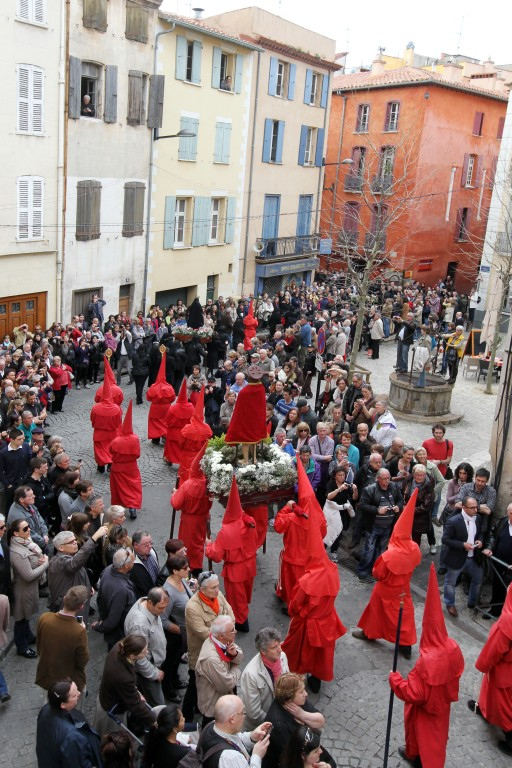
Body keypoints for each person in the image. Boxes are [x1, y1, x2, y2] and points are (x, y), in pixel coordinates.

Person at [389, 564, 464, 768]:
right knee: (435, 740)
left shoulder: (427, 661)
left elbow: (415, 694)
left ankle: (420, 761)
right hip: (442, 708)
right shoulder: (454, 647)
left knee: (422, 737)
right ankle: (417, 756)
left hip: (426, 709)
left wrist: (396, 681)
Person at [282, 461, 346, 693]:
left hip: (309, 621)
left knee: (302, 651)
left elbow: (296, 604)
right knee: (321, 654)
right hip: (327, 619)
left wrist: (293, 610)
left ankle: (296, 679)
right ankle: (317, 680)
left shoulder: (307, 581)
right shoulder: (333, 572)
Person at [352, 491, 421, 659]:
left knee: (375, 613)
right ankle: (405, 645)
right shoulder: (415, 549)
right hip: (403, 589)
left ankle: (369, 634)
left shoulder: (389, 555)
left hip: (386, 589)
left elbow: (377, 572)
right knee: (403, 617)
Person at [205, 478, 257, 632]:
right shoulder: (250, 521)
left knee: (236, 598)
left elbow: (216, 555)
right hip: (249, 564)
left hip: (235, 569)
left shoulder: (226, 531)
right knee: (244, 594)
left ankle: (241, 622)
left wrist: (208, 545)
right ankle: (242, 615)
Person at [182, 571, 235, 721]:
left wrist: (226, 631)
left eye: (218, 586)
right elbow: (204, 633)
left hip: (221, 650)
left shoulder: (218, 595)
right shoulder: (192, 607)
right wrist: (226, 633)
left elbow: (230, 614)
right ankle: (187, 718)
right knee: (194, 685)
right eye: (213, 588)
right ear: (202, 590)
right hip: (201, 654)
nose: (217, 590)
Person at [469, 584, 512, 756]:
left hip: (504, 669)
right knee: (492, 693)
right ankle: (484, 708)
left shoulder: (508, 622)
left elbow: (495, 649)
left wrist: (483, 664)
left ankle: (510, 738)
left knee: (505, 704)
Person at [94, 634, 157, 736]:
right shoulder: (124, 677)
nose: (147, 652)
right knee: (111, 738)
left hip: (106, 696)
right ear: (132, 656)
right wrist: (154, 720)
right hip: (111, 709)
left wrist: (134, 691)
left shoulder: (120, 647)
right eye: (144, 651)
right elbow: (134, 704)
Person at [263, 674, 326, 768]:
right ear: (289, 696)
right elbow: (290, 757)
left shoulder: (296, 703)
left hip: (306, 748)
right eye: (301, 692)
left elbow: (320, 721)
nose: (306, 694)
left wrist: (302, 714)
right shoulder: (279, 725)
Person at [36, 679, 102, 768]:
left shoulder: (45, 709)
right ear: (63, 704)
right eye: (74, 695)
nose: (79, 693)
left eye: (77, 689)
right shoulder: (72, 737)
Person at [36, 585, 89, 694]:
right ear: (81, 607)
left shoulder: (44, 618)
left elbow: (39, 646)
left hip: (49, 675)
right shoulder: (79, 631)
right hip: (69, 682)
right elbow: (82, 660)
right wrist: (82, 630)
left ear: (65, 598)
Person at [8, 517, 49, 658]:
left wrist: (39, 561)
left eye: (28, 527)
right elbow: (28, 575)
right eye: (25, 529)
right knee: (21, 619)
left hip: (29, 589)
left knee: (26, 617)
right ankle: (22, 647)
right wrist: (45, 564)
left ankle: (29, 636)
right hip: (23, 591)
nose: (29, 529)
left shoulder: (27, 543)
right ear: (16, 534)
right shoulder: (17, 552)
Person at [48, 526, 108, 620]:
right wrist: (94, 538)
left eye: (75, 540)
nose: (75, 542)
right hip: (70, 603)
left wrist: (88, 587)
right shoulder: (60, 561)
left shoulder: (68, 556)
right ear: (61, 547)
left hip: (77, 597)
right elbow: (75, 564)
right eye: (71, 542)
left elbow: (79, 571)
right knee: (75, 625)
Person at [124, 587, 169, 707]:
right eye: (161, 608)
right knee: (158, 705)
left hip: (153, 664)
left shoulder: (148, 605)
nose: (164, 612)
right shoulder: (139, 624)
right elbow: (138, 656)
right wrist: (154, 673)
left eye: (165, 607)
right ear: (150, 603)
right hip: (147, 670)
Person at [196, 615, 244, 727]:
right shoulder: (211, 658)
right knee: (214, 729)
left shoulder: (222, 640)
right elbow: (226, 685)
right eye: (232, 630)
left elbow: (239, 654)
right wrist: (236, 668)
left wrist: (235, 654)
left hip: (222, 696)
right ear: (221, 635)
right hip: (213, 704)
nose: (235, 631)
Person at [356, 468, 403, 582]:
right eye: (384, 479)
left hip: (388, 525)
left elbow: (401, 500)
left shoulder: (394, 487)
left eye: (388, 478)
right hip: (373, 526)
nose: (387, 481)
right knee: (369, 550)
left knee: (381, 550)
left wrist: (398, 506)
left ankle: (376, 570)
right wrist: (377, 510)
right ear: (378, 479)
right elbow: (362, 505)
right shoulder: (369, 490)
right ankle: (362, 572)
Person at [240, 627, 290, 730]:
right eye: (274, 647)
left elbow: (288, 682)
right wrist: (276, 721)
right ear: (263, 651)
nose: (280, 650)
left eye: (279, 644)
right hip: (262, 727)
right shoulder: (251, 674)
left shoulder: (282, 656)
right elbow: (254, 713)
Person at [172, 445, 211, 575]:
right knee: (199, 542)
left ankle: (187, 565)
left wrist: (174, 494)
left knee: (186, 543)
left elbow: (176, 504)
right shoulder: (208, 485)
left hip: (188, 519)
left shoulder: (187, 485)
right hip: (202, 518)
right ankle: (197, 565)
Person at [442, 496, 483, 617]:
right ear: (464, 508)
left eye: (477, 507)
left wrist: (480, 541)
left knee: (478, 578)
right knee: (450, 582)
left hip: (473, 558)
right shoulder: (454, 521)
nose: (476, 510)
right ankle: (450, 603)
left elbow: (480, 533)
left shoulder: (478, 518)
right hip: (457, 557)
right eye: (472, 508)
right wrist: (462, 545)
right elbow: (445, 539)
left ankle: (472, 602)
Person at [92, 547, 136, 649]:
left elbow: (100, 597)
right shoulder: (121, 590)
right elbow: (113, 621)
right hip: (120, 634)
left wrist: (102, 617)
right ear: (126, 566)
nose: (134, 561)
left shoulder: (108, 569)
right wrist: (98, 626)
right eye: (133, 560)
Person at [109, 401, 142, 520]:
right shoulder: (135, 439)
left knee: (119, 488)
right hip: (131, 467)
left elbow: (111, 451)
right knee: (133, 486)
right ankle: (132, 507)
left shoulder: (116, 441)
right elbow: (137, 454)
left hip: (118, 467)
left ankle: (120, 507)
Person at [90, 372, 123, 474]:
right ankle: (110, 465)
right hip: (112, 432)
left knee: (99, 449)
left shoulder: (95, 408)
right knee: (111, 448)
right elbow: (118, 422)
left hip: (99, 432)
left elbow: (92, 419)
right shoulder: (116, 409)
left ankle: (100, 466)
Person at [483, 503, 512, 618]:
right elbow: (492, 536)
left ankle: (507, 617)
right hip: (498, 563)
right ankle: (494, 611)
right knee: (497, 586)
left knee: (509, 592)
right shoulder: (502, 522)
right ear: (507, 512)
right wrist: (489, 548)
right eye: (511, 513)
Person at [143, 704, 190, 768]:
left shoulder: (155, 740)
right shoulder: (183, 753)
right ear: (174, 729)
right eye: (181, 720)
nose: (184, 719)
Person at [146, 350, 175, 443]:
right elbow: (172, 398)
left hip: (155, 407)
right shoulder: (169, 387)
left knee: (154, 423)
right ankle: (164, 435)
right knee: (165, 422)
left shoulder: (153, 387)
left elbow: (148, 397)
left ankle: (155, 438)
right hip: (166, 407)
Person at [163, 380, 194, 466]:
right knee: (183, 448)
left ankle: (169, 459)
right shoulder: (191, 407)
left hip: (173, 432)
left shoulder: (173, 408)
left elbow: (167, 420)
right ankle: (183, 461)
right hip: (186, 432)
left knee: (171, 447)